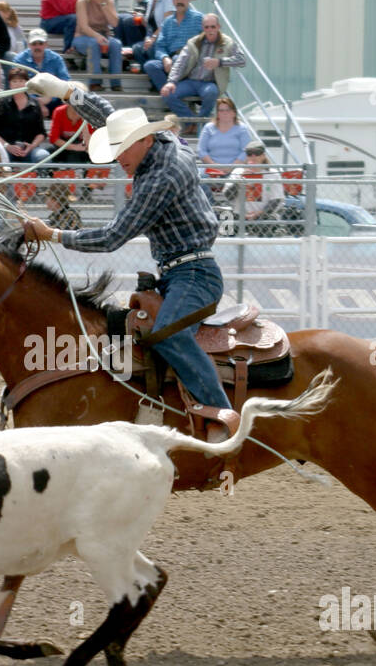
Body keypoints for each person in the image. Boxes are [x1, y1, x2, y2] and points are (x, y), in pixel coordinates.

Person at [22, 73, 237, 440]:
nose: (117, 158)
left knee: (169, 335)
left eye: (122, 150)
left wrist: (53, 235)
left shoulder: (161, 178)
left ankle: (223, 417)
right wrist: (66, 91)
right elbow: (109, 116)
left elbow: (112, 236)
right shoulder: (164, 144)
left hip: (194, 275)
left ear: (145, 140)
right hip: (179, 271)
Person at [161, 13, 245, 124]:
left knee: (211, 93)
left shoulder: (227, 42)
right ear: (203, 28)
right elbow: (180, 62)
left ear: (218, 27)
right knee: (168, 94)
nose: (210, 30)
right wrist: (171, 81)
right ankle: (193, 122)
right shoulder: (194, 42)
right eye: (207, 27)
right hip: (190, 81)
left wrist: (220, 62)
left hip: (209, 83)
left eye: (213, 27)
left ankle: (200, 121)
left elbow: (242, 60)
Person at [145, 0, 201, 93]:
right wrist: (165, 58)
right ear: (173, 0)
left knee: (177, 59)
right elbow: (160, 46)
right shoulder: (167, 22)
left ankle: (172, 96)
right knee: (150, 66)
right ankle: (170, 95)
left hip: (190, 60)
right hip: (171, 60)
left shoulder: (198, 19)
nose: (180, 1)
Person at [0, 64, 46, 164]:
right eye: (15, 81)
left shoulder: (35, 104)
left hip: (29, 150)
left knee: (43, 156)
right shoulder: (0, 103)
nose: (18, 84)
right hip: (5, 148)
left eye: (21, 81)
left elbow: (41, 132)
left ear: (27, 83)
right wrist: (7, 146)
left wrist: (32, 146)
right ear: (10, 84)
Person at [73, 0, 120, 91]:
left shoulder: (108, 1)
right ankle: (95, 82)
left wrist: (103, 5)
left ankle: (116, 83)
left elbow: (114, 23)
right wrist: (97, 36)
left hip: (103, 36)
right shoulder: (82, 1)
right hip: (83, 37)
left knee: (116, 45)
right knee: (93, 44)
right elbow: (83, 26)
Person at [228, 139, 284, 234]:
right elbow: (228, 196)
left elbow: (276, 200)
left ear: (263, 156)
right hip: (239, 215)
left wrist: (258, 214)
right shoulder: (237, 172)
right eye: (249, 153)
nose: (253, 156)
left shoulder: (272, 173)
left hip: (263, 216)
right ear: (246, 156)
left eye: (257, 153)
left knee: (271, 220)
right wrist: (239, 181)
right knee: (225, 217)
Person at [13, 25, 67, 115]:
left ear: (46, 44)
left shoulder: (56, 59)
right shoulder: (19, 60)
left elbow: (65, 81)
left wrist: (50, 97)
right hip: (27, 102)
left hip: (54, 100)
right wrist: (36, 102)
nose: (37, 47)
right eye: (34, 44)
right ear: (29, 45)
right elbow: (16, 84)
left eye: (40, 43)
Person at [196, 95, 252, 174]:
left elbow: (246, 151)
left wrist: (231, 167)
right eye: (221, 110)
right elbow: (201, 150)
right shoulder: (208, 128)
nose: (225, 113)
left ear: (234, 113)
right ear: (217, 113)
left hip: (236, 170)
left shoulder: (242, 128)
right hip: (211, 169)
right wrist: (214, 166)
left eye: (228, 110)